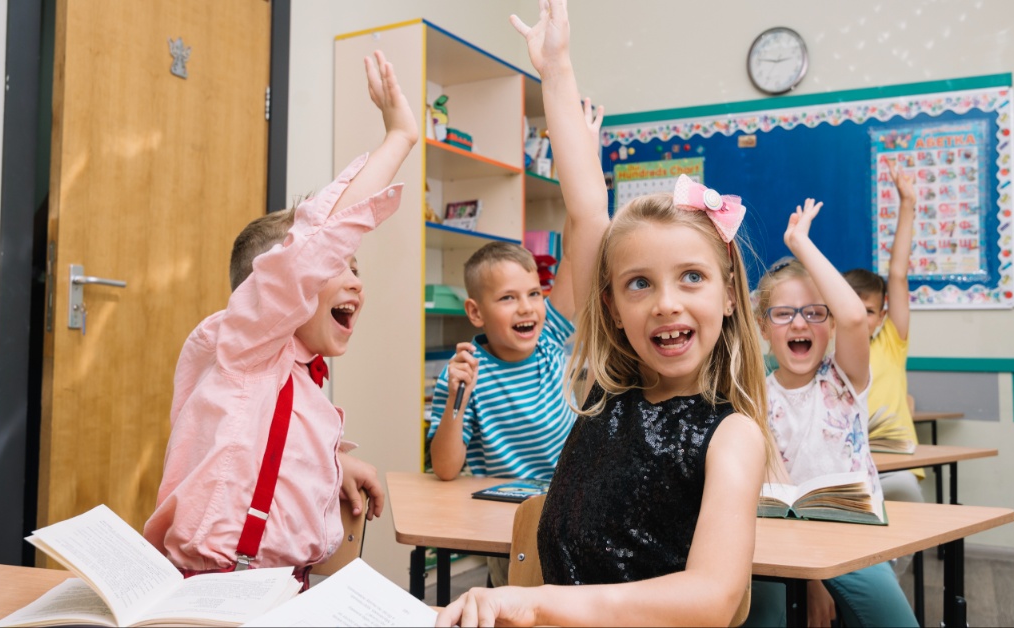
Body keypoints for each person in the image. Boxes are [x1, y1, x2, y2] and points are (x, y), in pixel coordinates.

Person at [437, 1, 771, 625]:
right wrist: (556, 71)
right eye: (639, 284)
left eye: (691, 278)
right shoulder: (599, 392)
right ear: (612, 308)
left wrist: (535, 603)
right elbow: (589, 211)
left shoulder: (735, 435)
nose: (666, 302)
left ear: (730, 297)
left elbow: (712, 598)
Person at [143, 50, 418, 590]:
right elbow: (313, 246)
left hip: (287, 587)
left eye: (357, 268)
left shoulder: (300, 375)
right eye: (339, 265)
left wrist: (335, 463)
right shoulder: (245, 345)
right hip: (216, 587)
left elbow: (264, 439)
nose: (356, 280)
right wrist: (399, 138)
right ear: (276, 294)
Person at [427, 94, 603, 588]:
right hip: (507, 525)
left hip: (570, 511)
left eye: (533, 293)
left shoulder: (550, 339)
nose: (527, 307)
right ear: (476, 313)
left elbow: (579, 234)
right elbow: (445, 469)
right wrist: (456, 399)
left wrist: (583, 156)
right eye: (508, 299)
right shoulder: (464, 374)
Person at [747, 199, 917, 627]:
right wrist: (812, 581)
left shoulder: (844, 380)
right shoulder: (755, 398)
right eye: (783, 314)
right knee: (762, 614)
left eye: (815, 313)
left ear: (832, 323)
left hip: (851, 539)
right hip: (778, 543)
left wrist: (801, 244)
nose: (800, 324)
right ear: (764, 328)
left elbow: (857, 318)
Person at [843, 156, 926, 506]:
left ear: (883, 315)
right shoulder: (830, 351)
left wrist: (907, 204)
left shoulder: (892, 341)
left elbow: (897, 275)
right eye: (851, 309)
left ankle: (895, 565)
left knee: (908, 508)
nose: (861, 319)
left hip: (896, 463)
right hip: (848, 463)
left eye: (869, 311)